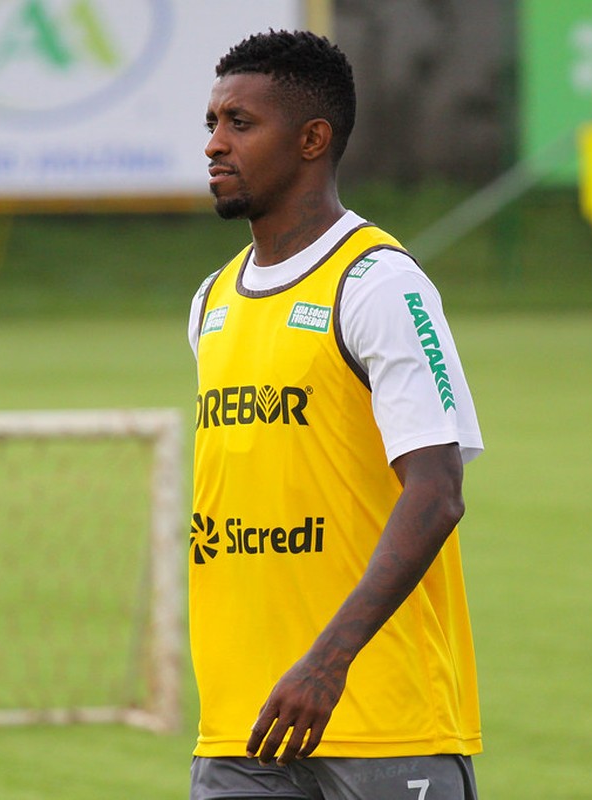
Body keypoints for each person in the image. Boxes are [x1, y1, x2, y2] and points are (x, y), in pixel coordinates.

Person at [187, 29, 485, 800]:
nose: (215, 145)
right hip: (238, 728)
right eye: (212, 124)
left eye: (240, 124)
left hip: (382, 724)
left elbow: (437, 491)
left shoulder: (379, 284)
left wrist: (327, 662)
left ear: (313, 139)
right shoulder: (211, 303)